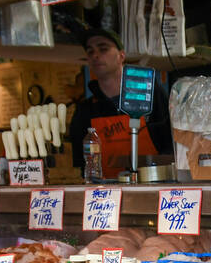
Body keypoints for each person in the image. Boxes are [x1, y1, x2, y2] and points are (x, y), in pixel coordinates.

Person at [67, 28, 172, 180]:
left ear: (121, 55)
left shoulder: (150, 93)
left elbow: (172, 143)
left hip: (153, 186)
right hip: (105, 196)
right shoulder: (85, 111)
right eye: (90, 52)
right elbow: (81, 164)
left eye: (103, 49)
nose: (95, 55)